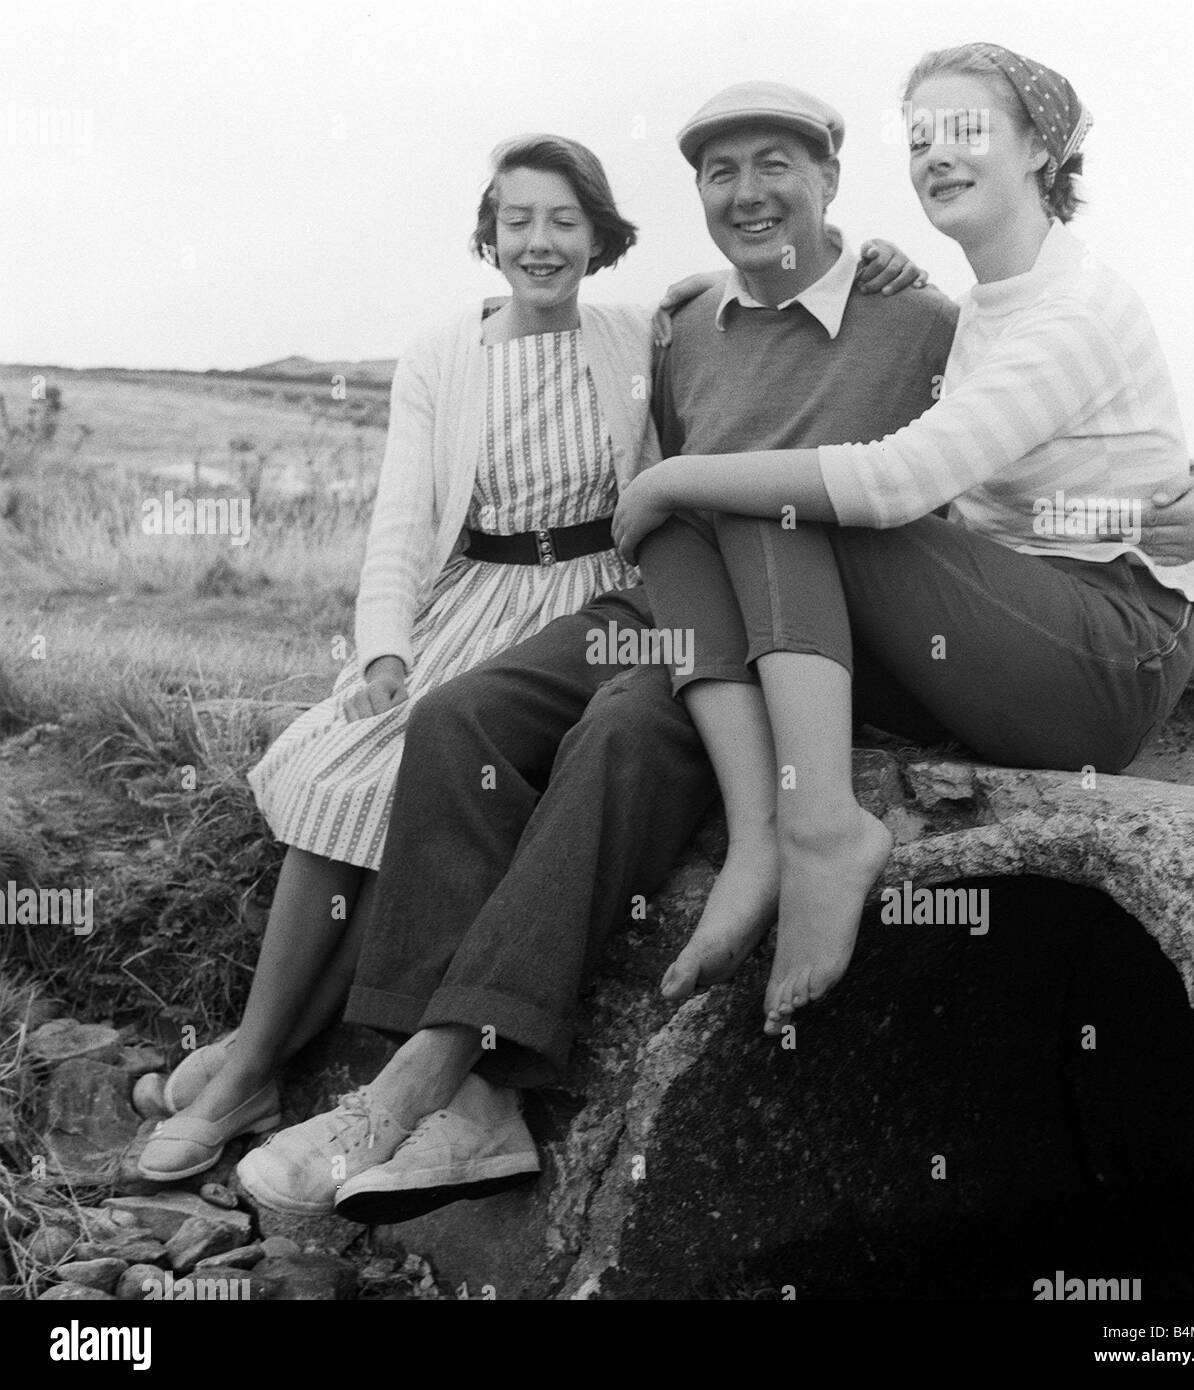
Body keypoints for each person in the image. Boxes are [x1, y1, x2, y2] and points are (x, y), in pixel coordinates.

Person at [227, 80, 1194, 1223]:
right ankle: (441, 1087)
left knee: (622, 730)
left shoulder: (924, 322)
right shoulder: (683, 328)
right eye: (721, 171)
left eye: (777, 165)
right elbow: (667, 516)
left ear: (830, 181)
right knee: (462, 715)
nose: (749, 192)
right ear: (697, 193)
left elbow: (1032, 464)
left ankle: (452, 1076)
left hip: (806, 643)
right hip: (673, 598)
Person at [142, 128, 924, 1185]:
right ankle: (257, 1056)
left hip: (611, 584)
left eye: (565, 220)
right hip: (485, 598)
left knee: (476, 761)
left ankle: (300, 1069)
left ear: (598, 236)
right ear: (489, 234)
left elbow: (741, 281)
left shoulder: (632, 331)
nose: (541, 241)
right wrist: (382, 642)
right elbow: (400, 522)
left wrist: (871, 253)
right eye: (519, 221)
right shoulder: (442, 353)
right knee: (377, 760)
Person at [613, 44, 1194, 1037]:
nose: (936, 154)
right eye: (921, 137)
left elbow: (897, 480)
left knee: (748, 492)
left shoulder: (1072, 307)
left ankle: (823, 831)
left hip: (1106, 654)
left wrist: (670, 472)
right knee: (697, 522)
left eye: (967, 130)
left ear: (1041, 148)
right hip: (1000, 638)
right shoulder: (980, 304)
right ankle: (763, 835)